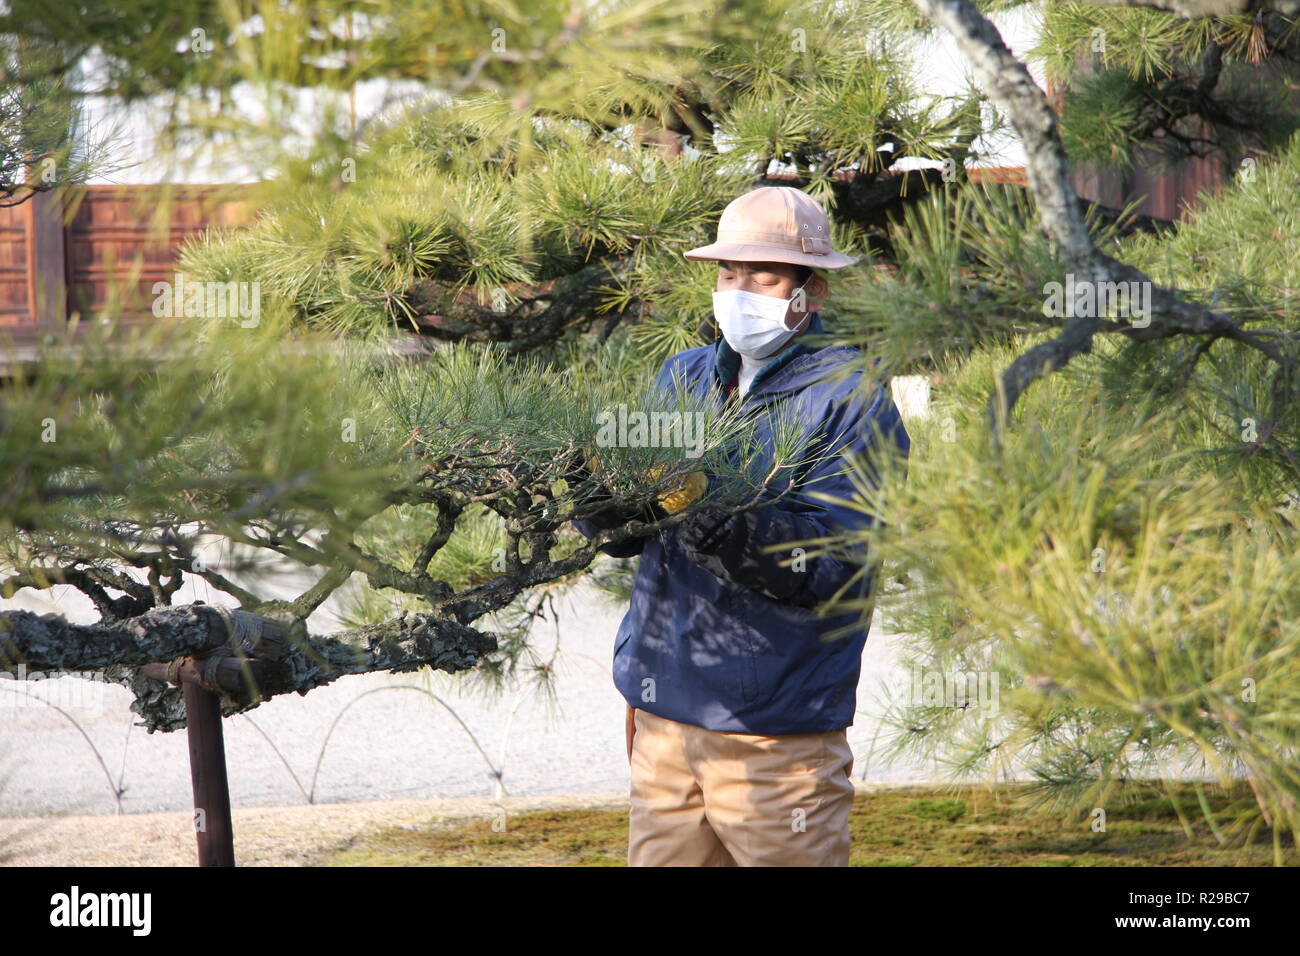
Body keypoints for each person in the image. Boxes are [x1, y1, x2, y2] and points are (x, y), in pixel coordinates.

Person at [574, 185, 910, 866]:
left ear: (809, 291)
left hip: (775, 734)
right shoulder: (685, 375)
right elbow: (634, 531)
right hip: (663, 713)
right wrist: (595, 498)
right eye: (729, 273)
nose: (739, 289)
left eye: (763, 275)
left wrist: (714, 514)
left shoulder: (851, 397)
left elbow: (836, 565)